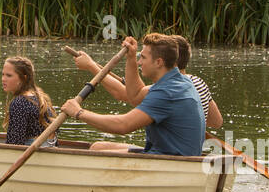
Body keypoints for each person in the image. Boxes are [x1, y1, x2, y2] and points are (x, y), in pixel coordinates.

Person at [61, 34, 204, 155]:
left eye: (143, 58)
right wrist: (130, 59)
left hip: (171, 160)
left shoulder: (167, 92)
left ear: (159, 62)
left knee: (96, 155)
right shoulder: (181, 81)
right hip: (167, 153)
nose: (140, 62)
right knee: (97, 147)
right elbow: (135, 95)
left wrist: (79, 113)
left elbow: (123, 125)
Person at [69, 37, 222, 130]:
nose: (140, 61)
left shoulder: (169, 90)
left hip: (175, 155)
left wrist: (91, 66)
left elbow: (126, 94)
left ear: (162, 60)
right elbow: (216, 122)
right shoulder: (197, 82)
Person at [1, 56, 57, 147]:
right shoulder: (39, 97)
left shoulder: (19, 103)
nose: (3, 79)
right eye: (3, 74)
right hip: (49, 148)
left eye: (9, 75)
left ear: (24, 78)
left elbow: (14, 144)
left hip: (35, 153)